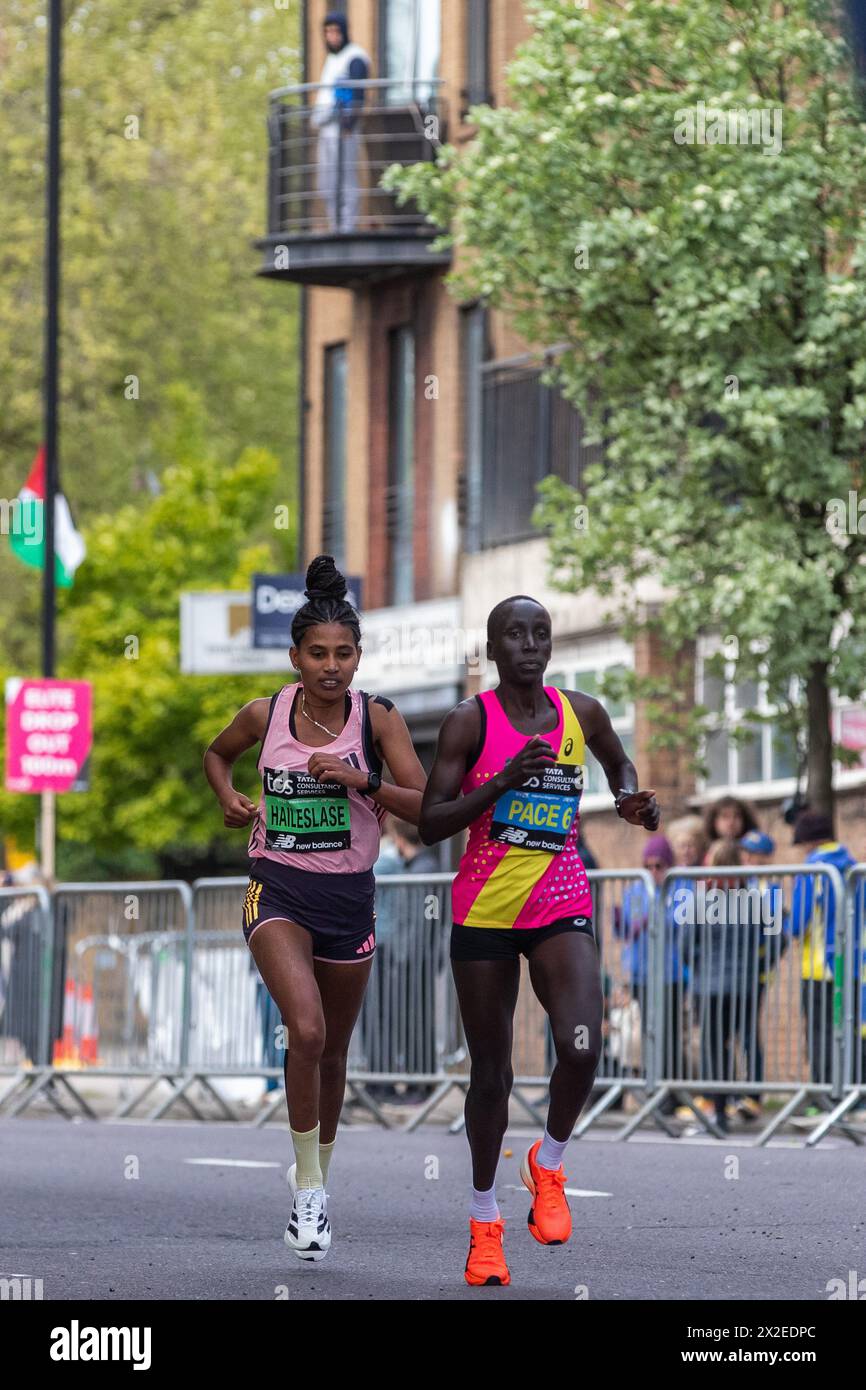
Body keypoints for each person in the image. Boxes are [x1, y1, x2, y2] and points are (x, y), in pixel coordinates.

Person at [418, 595, 659, 1287]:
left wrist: (631, 798)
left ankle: (547, 1164)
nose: (529, 644)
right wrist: (500, 783)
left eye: (540, 633)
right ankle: (484, 1221)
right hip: (486, 911)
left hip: (560, 898)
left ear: (551, 646)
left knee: (584, 1043)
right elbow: (433, 823)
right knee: (491, 1076)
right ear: (493, 650)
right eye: (514, 635)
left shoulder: (581, 713)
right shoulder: (470, 721)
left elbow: (620, 766)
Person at [203, 555, 427, 1262]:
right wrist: (230, 797)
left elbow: (428, 808)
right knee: (304, 1029)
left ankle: (319, 1182)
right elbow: (216, 754)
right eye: (318, 654)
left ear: (358, 658)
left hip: (350, 898)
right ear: (296, 657)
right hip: (279, 888)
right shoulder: (266, 713)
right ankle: (307, 1192)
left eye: (344, 654)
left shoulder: (379, 718)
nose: (331, 667)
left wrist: (364, 782)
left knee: (333, 1050)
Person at [786, 811, 856, 1088]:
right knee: (845, 1029)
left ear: (807, 841)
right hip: (848, 962)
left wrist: (785, 923)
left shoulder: (813, 868)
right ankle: (849, 1090)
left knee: (819, 1031)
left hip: (817, 967)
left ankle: (824, 1093)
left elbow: (798, 923)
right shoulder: (850, 865)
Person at [615, 834, 679, 1112]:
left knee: (668, 1034)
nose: (654, 872)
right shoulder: (636, 890)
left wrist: (652, 916)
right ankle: (651, 1088)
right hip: (641, 973)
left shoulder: (680, 891)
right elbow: (627, 930)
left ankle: (670, 1091)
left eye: (660, 866)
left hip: (671, 974)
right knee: (646, 1034)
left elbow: (678, 925)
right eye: (649, 866)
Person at [736, 829, 783, 1119]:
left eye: (755, 855)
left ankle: (753, 1095)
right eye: (746, 853)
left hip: (754, 972)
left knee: (748, 1031)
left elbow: (777, 937)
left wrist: (763, 965)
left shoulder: (769, 889)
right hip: (735, 970)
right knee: (731, 1030)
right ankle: (728, 1093)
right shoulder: (741, 883)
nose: (749, 859)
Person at [312, 12, 371, 232]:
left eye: (336, 31)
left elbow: (357, 95)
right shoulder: (331, 59)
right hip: (326, 129)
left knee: (345, 179)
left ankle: (347, 226)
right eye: (327, 32)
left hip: (343, 129)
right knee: (326, 182)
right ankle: (335, 224)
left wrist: (348, 124)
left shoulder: (355, 57)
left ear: (344, 32)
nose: (331, 36)